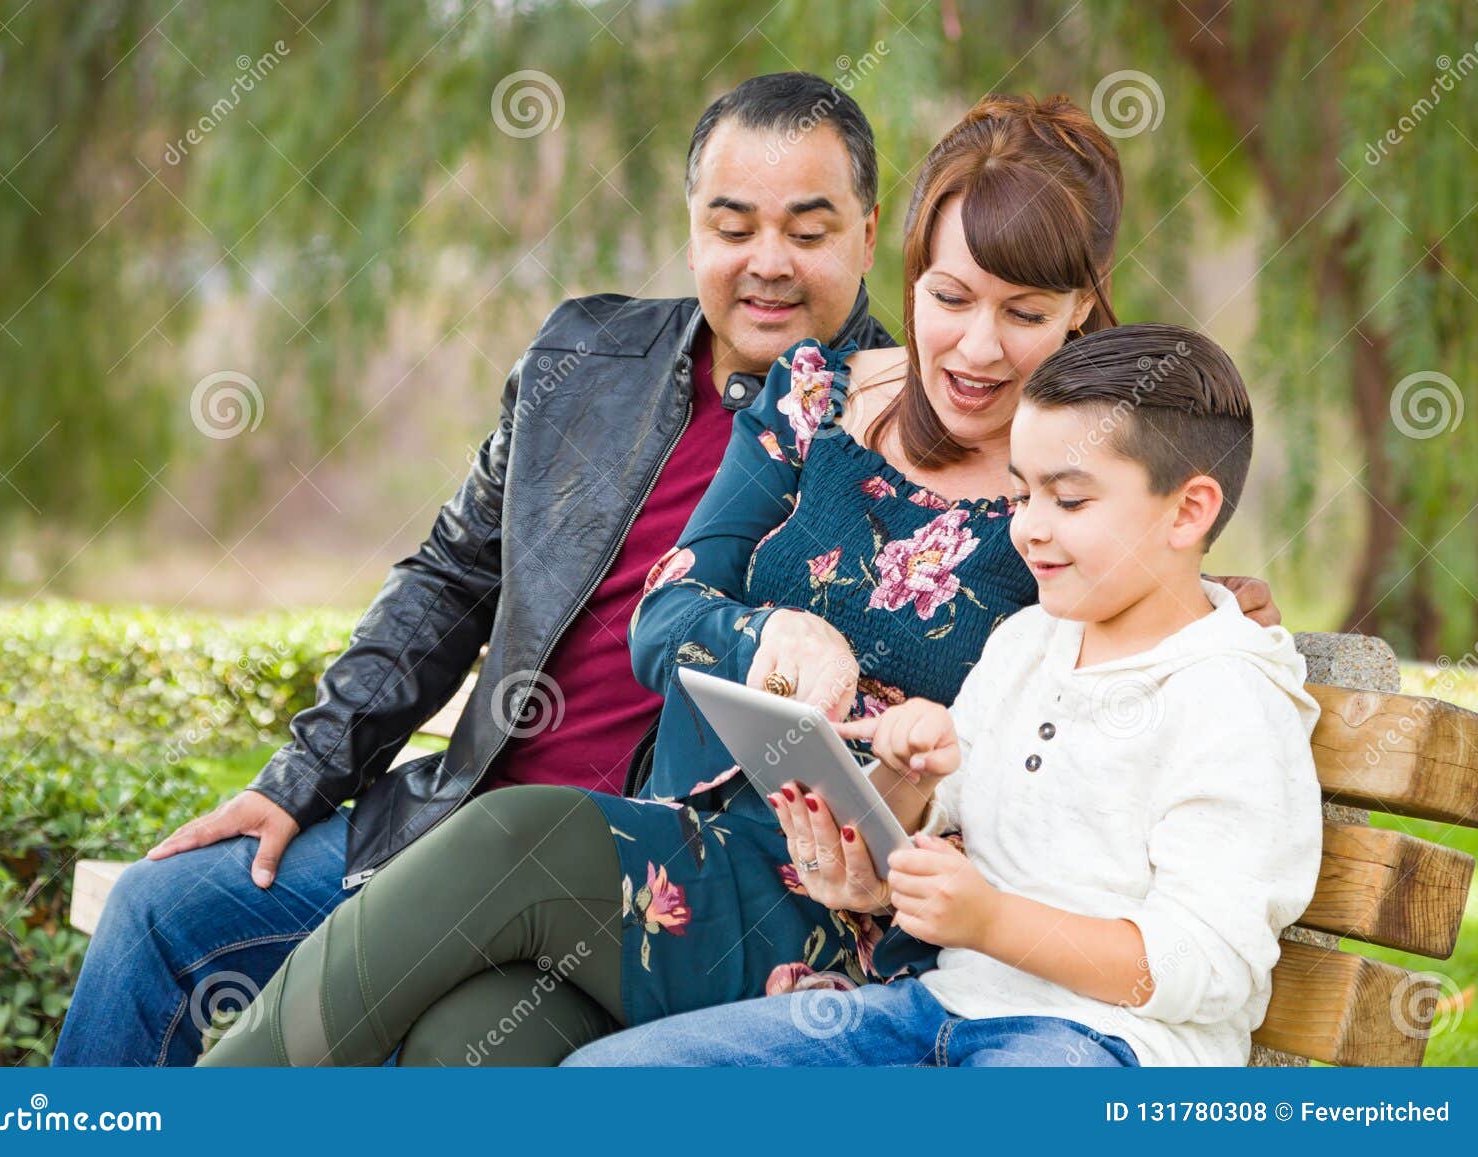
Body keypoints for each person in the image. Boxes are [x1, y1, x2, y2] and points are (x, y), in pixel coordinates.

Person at [196, 94, 1283, 1068]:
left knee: (510, 840)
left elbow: (1156, 614)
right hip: (677, 849)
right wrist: (770, 634)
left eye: (1025, 312)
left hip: (865, 927)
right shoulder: (815, 398)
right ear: (907, 272)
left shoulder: (1067, 505)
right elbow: (662, 615)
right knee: (468, 1042)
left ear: (1082, 313)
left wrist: (1206, 588)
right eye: (950, 296)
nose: (976, 348)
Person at [51, 71, 901, 1066]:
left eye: (808, 230)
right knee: (158, 909)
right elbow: (453, 576)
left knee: (457, 1050)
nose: (768, 263)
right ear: (690, 231)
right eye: (732, 226)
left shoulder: (900, 437)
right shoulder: (588, 357)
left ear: (868, 234)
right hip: (459, 819)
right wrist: (303, 775)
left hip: (633, 891)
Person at [561, 322, 1323, 1067]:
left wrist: (991, 921)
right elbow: (932, 823)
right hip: (938, 1013)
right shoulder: (1028, 644)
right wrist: (910, 778)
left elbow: (1208, 966)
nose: (1029, 530)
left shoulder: (1232, 700)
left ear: (1187, 511)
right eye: (1022, 495)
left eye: (1070, 501)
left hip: (1103, 1046)